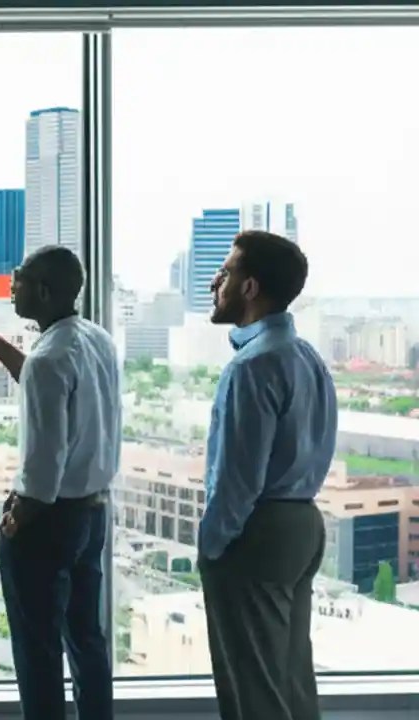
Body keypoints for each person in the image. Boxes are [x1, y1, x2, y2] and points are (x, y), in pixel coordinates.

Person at [0, 245, 120, 720]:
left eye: (21, 278)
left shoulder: (50, 359)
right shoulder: (95, 339)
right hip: (92, 513)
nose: (12, 285)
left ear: (44, 291)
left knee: (38, 653)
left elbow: (43, 463)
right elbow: (37, 375)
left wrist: (18, 516)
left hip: (48, 520)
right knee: (87, 641)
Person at [198, 231, 335, 720]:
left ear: (250, 287)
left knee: (253, 690)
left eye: (226, 272)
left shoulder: (251, 366)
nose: (215, 283)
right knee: (291, 681)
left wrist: (211, 546)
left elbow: (238, 479)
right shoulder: (307, 356)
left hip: (257, 533)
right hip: (303, 525)